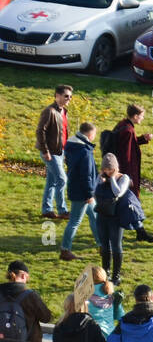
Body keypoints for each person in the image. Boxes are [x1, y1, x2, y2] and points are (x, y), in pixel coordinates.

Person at [111, 104, 153, 243]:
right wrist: (127, 177)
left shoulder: (124, 126)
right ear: (136, 116)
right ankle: (140, 232)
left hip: (122, 172)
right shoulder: (127, 130)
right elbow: (125, 156)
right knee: (132, 201)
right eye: (142, 116)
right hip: (127, 172)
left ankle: (139, 231)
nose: (143, 118)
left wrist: (143, 139)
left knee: (127, 202)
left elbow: (129, 145)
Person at [94, 154, 139, 286]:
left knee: (116, 245)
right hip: (102, 215)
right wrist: (99, 181)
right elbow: (93, 192)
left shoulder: (123, 178)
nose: (107, 172)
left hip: (116, 217)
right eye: (105, 169)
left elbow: (117, 192)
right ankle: (105, 273)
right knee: (104, 244)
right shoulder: (101, 177)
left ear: (115, 168)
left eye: (110, 169)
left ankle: (116, 275)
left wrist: (112, 178)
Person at [60, 122, 99, 260]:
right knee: (74, 222)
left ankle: (102, 245)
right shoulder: (85, 152)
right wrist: (89, 194)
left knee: (95, 215)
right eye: (94, 133)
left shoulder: (72, 146)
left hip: (76, 188)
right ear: (89, 134)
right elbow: (86, 175)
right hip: (82, 193)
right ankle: (65, 250)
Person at [38, 84, 73, 221]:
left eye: (70, 96)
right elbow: (40, 131)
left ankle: (47, 210)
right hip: (50, 152)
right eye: (66, 96)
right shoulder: (49, 111)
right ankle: (63, 210)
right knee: (62, 179)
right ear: (57, 96)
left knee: (52, 181)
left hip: (60, 151)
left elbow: (63, 132)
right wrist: (45, 151)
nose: (68, 99)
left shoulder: (63, 111)